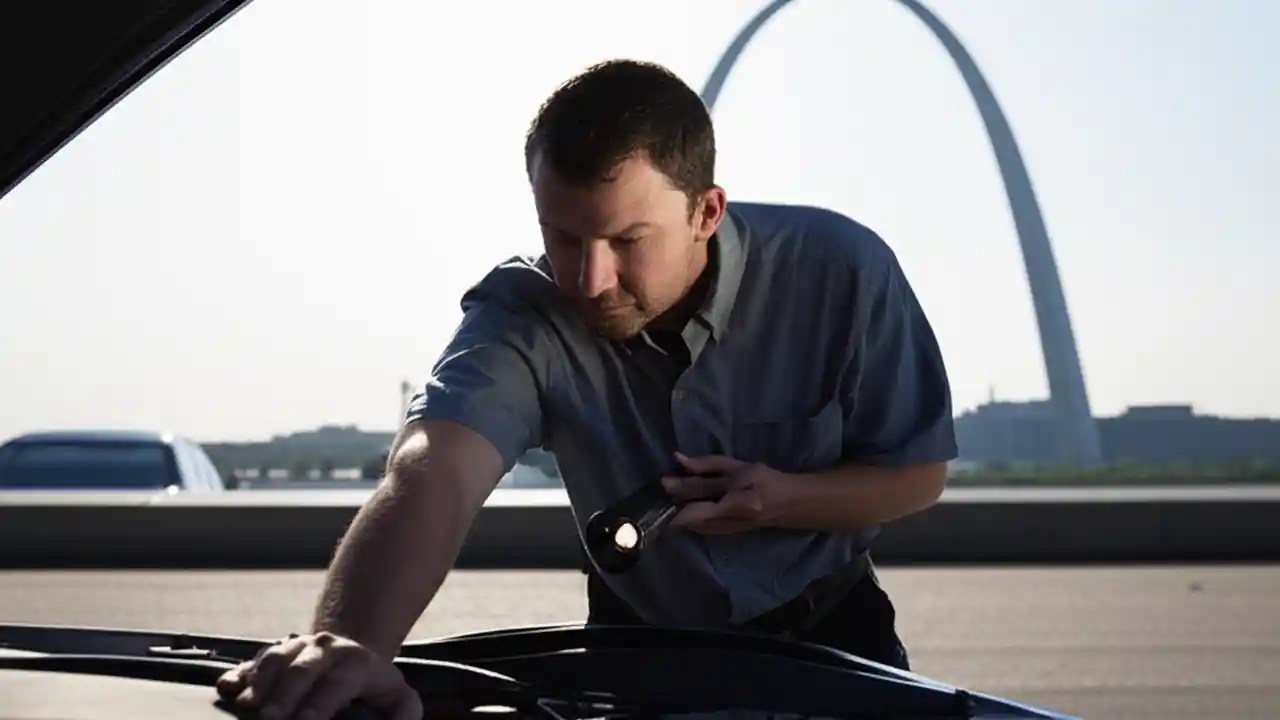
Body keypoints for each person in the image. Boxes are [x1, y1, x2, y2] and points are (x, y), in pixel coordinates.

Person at [215, 58, 957, 720]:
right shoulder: (523, 311)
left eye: (626, 241)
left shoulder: (842, 273)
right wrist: (349, 647)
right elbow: (433, 469)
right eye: (561, 237)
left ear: (706, 212)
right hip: (636, 655)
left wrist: (783, 499)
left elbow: (918, 476)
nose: (587, 280)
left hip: (834, 637)